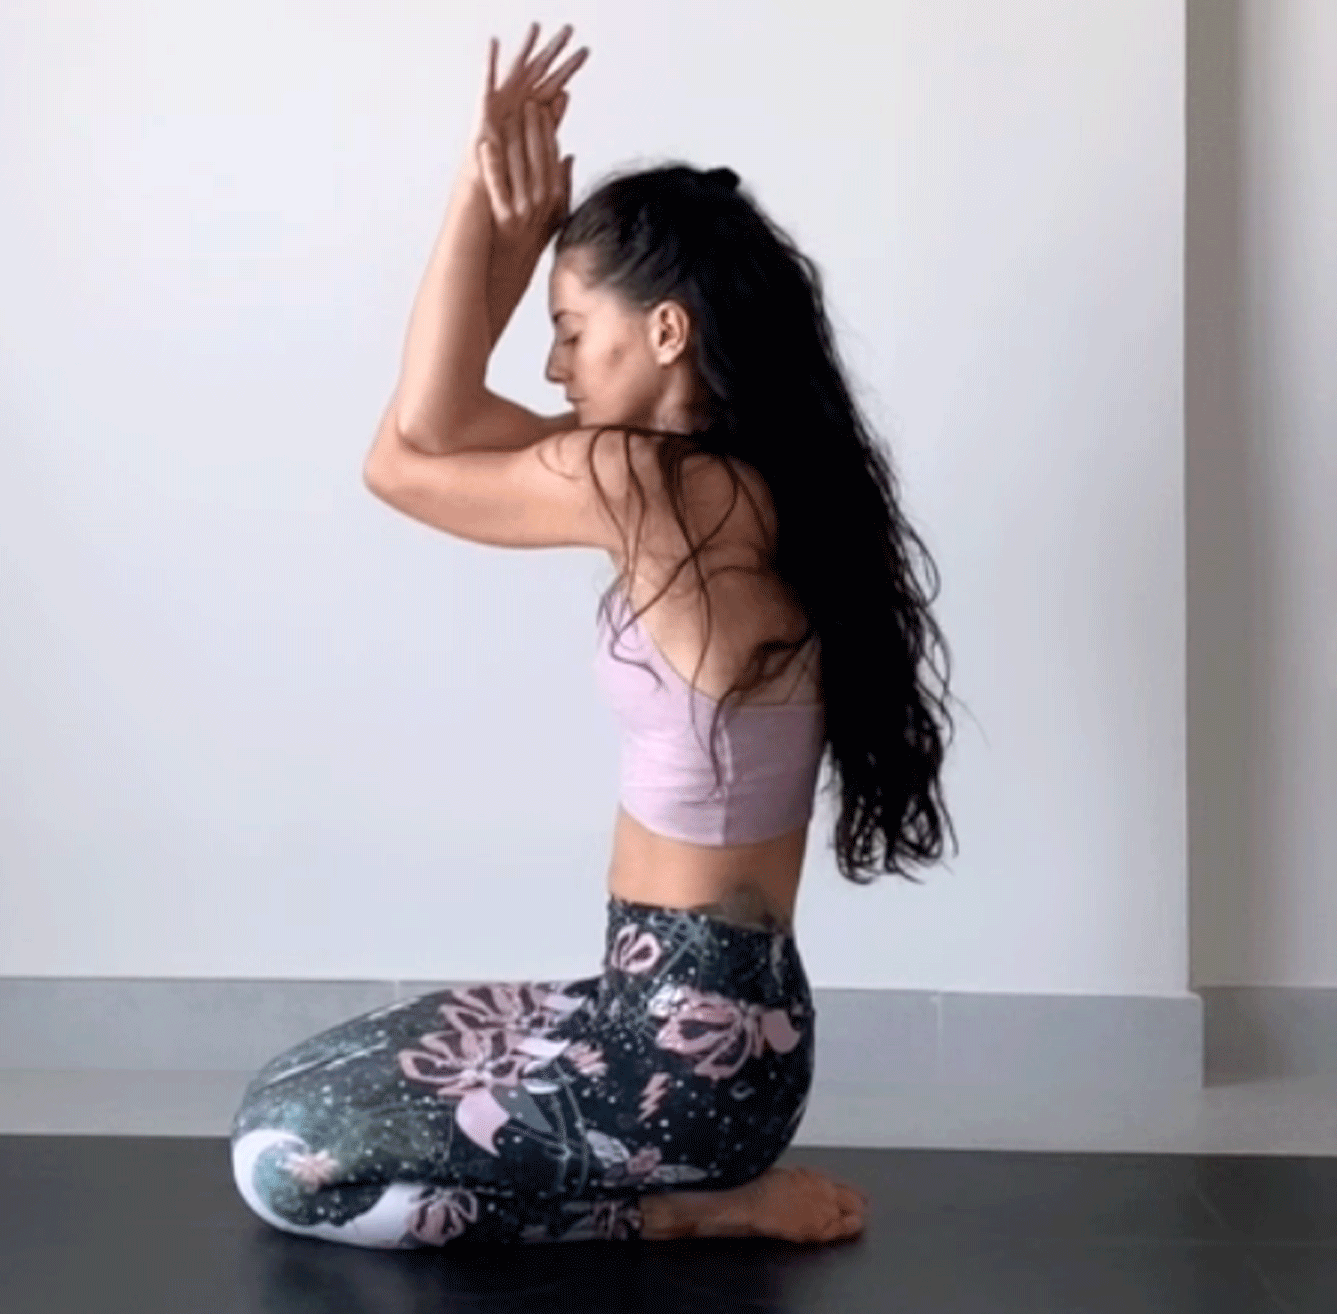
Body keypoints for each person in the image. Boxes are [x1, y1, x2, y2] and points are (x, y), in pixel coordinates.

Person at [230, 22, 953, 1248]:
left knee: (283, 1161)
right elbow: (449, 419)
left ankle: (676, 1212)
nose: (556, 363)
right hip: (702, 1027)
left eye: (572, 327)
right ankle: (684, 1176)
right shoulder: (740, 483)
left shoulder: (647, 485)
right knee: (304, 1081)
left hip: (678, 1068)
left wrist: (482, 206)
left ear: (666, 332)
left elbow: (405, 452)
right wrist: (516, 242)